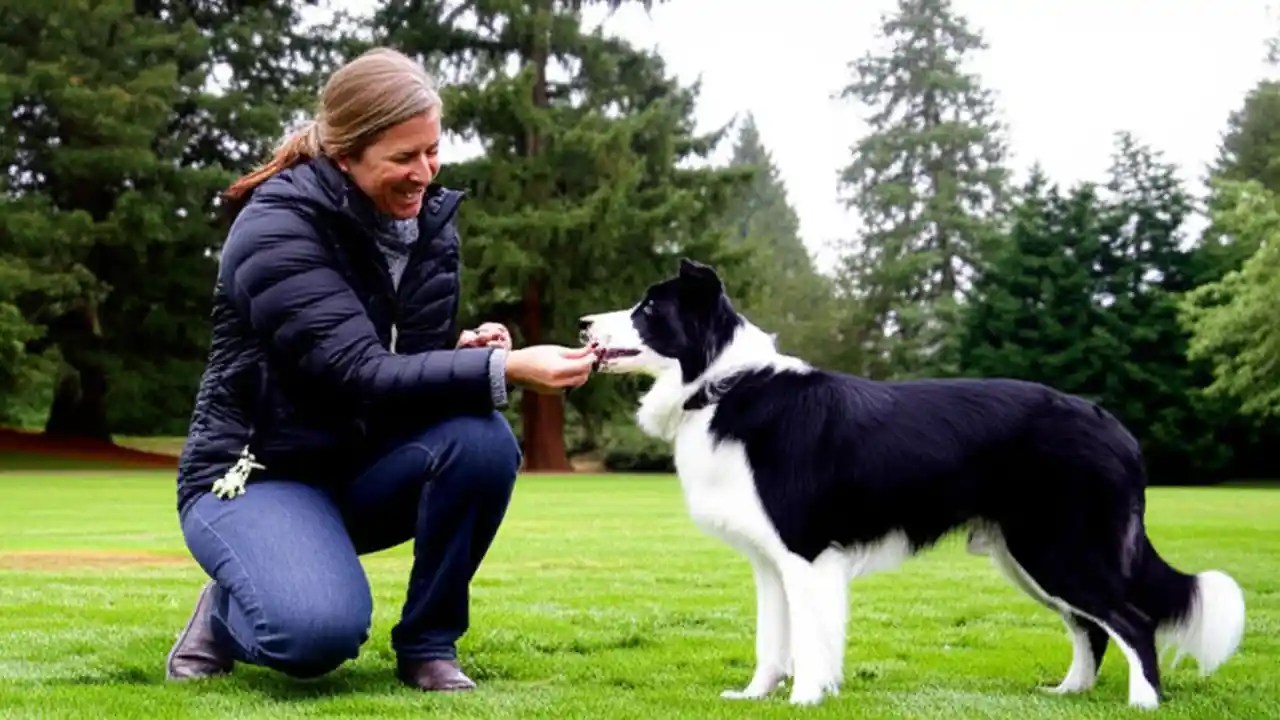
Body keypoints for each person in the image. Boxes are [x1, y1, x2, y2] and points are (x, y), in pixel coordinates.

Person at [165, 47, 596, 692]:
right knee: (314, 636)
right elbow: (358, 371)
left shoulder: (426, 228)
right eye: (403, 157)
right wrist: (503, 368)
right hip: (256, 476)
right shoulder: (275, 229)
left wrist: (463, 351)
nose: (424, 173)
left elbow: (395, 361)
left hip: (357, 467)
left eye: (433, 150)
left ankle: (429, 645)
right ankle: (226, 612)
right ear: (345, 156)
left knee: (480, 441)